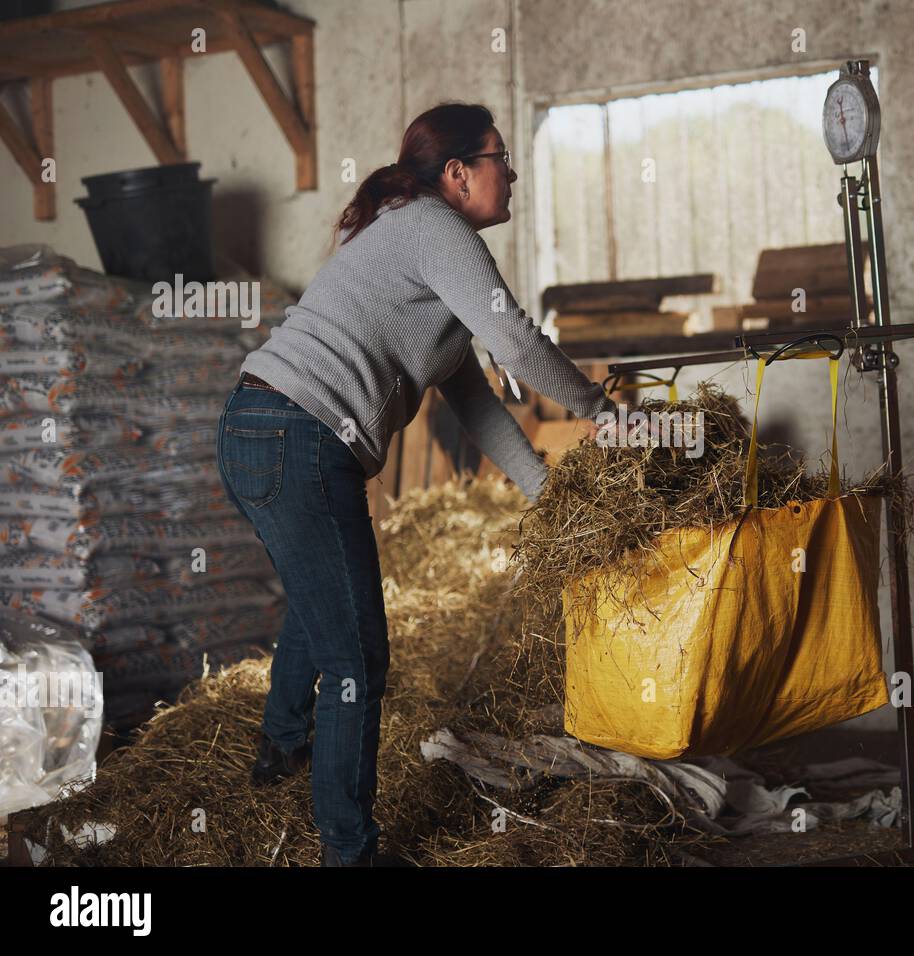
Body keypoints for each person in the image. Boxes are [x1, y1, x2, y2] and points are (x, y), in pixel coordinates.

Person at [215, 102, 617, 867]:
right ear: (458, 173)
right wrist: (602, 409)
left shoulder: (421, 252)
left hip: (263, 431)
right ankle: (349, 851)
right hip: (295, 436)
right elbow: (519, 342)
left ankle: (280, 749)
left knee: (321, 600)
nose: (514, 175)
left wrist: (552, 497)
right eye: (503, 157)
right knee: (358, 660)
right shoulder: (436, 229)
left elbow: (475, 404)